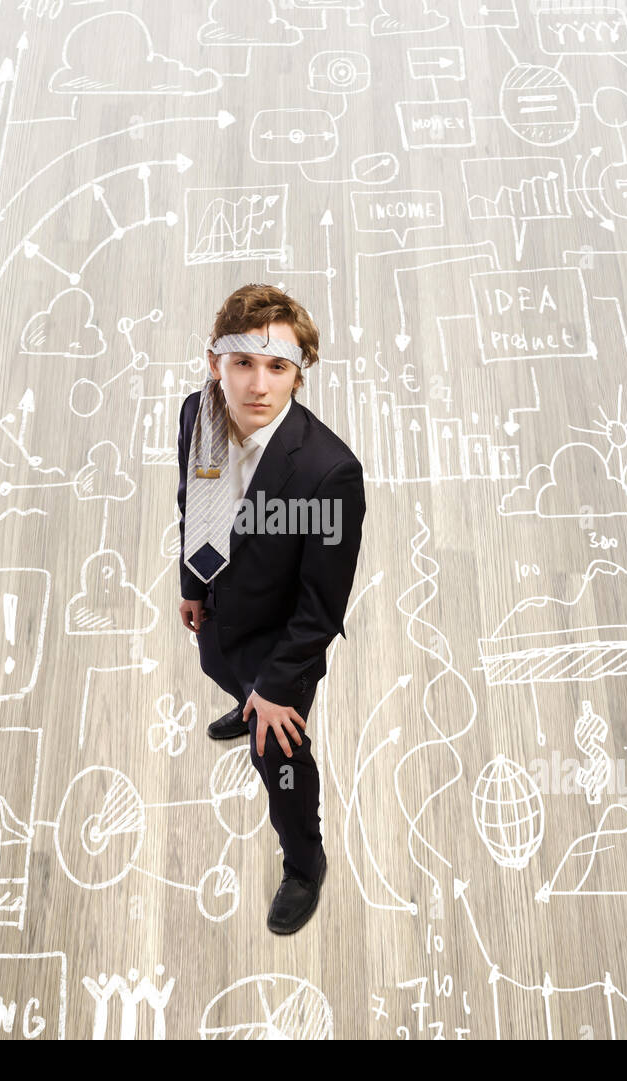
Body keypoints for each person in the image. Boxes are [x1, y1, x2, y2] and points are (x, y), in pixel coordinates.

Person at [176, 283, 365, 934]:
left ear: (297, 374)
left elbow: (322, 605)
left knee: (278, 757)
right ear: (214, 364)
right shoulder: (196, 416)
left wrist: (278, 687)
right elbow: (191, 504)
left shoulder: (328, 473)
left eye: (278, 366)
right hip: (224, 618)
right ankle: (242, 693)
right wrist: (191, 584)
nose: (259, 385)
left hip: (280, 647)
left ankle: (305, 863)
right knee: (223, 673)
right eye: (243, 364)